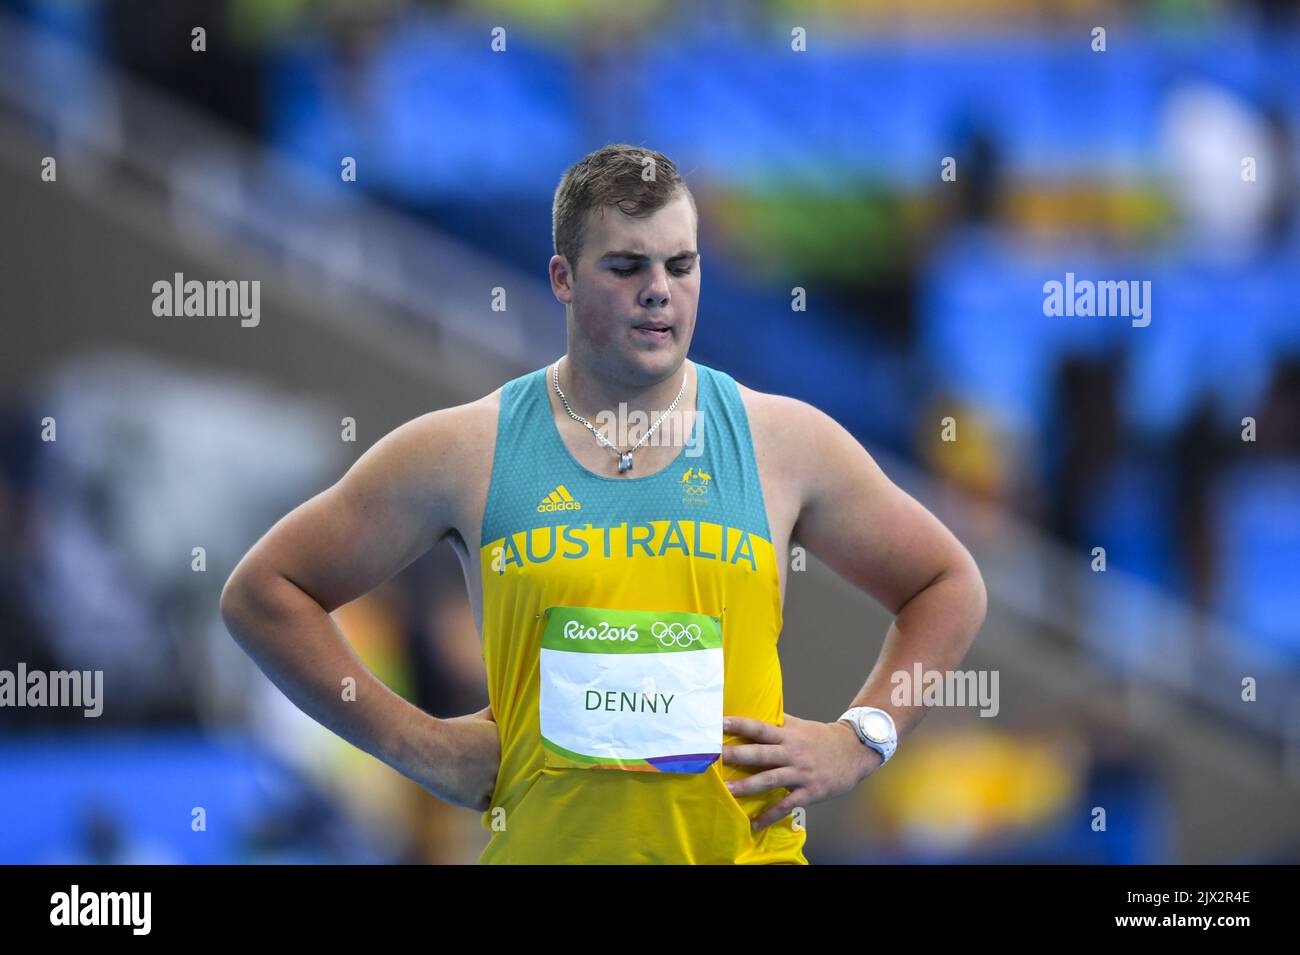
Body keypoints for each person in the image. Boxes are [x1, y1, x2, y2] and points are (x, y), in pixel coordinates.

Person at [220, 143, 987, 864]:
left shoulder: (782, 442)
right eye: (626, 266)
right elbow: (264, 594)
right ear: (562, 277)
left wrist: (862, 736)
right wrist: (420, 745)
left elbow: (948, 584)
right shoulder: (467, 449)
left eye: (681, 264)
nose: (660, 289)